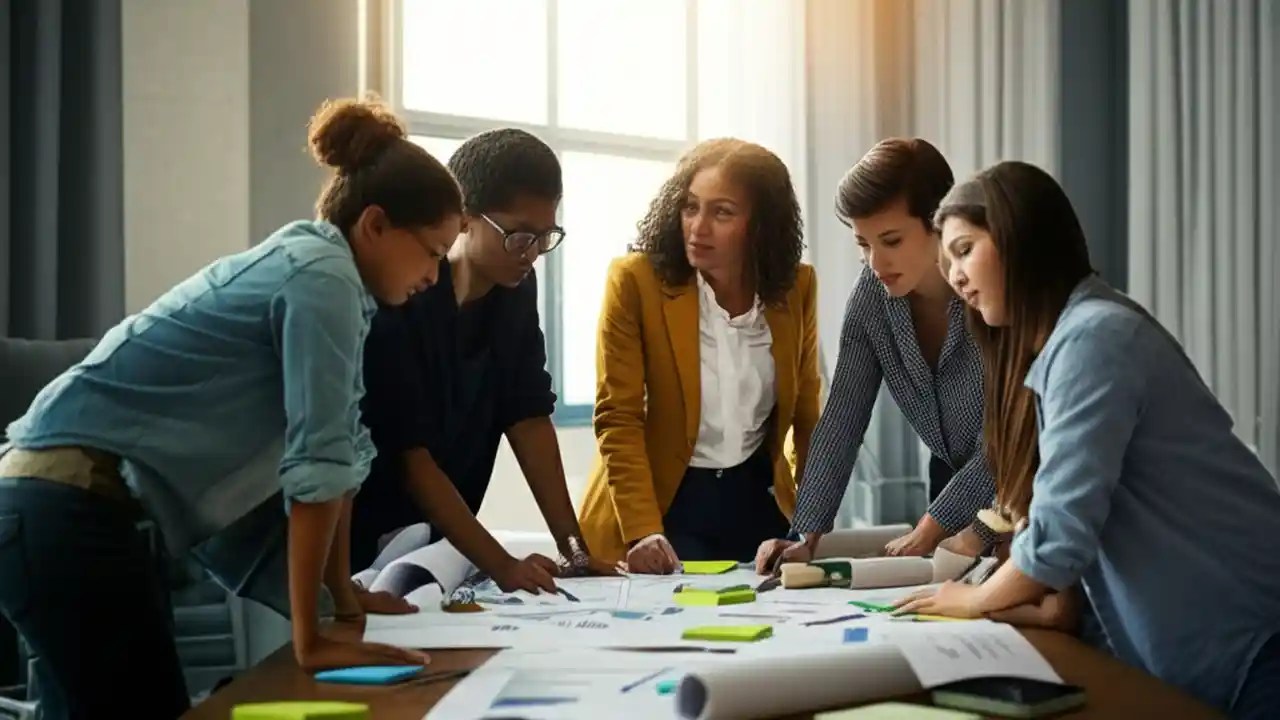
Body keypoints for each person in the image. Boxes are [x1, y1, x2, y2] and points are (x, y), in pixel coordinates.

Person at [0, 96, 458, 719]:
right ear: (375, 225)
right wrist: (312, 638)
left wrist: (343, 602)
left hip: (73, 511)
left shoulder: (335, 280)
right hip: (59, 510)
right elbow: (318, 467)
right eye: (433, 251)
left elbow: (344, 457)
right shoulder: (322, 278)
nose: (435, 275)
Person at [894, 160, 1280, 718]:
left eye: (964, 250)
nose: (954, 277)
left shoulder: (1094, 339)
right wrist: (1040, 603)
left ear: (1021, 236)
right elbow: (1070, 538)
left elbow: (1058, 538)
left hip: (1251, 635)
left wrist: (975, 599)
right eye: (946, 263)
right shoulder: (1065, 346)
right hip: (1203, 644)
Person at [354, 128, 615, 592]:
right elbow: (409, 454)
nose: (532, 254)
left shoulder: (515, 289)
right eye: (518, 236)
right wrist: (501, 564)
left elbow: (528, 415)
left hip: (437, 542)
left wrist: (573, 549)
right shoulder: (403, 288)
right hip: (360, 530)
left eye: (545, 237)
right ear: (464, 218)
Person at [577, 138, 820, 573]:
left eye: (722, 212)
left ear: (762, 224)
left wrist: (809, 523)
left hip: (757, 501)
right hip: (661, 509)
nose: (698, 227)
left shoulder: (795, 286)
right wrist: (642, 530)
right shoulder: (635, 282)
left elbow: (806, 415)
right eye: (690, 207)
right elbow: (618, 417)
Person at [755, 138, 996, 573]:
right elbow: (841, 420)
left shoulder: (992, 294)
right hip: (949, 482)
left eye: (891, 240)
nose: (875, 263)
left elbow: (1010, 439)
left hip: (1026, 483)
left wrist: (929, 529)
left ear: (940, 223)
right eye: (863, 245)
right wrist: (805, 536)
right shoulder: (871, 297)